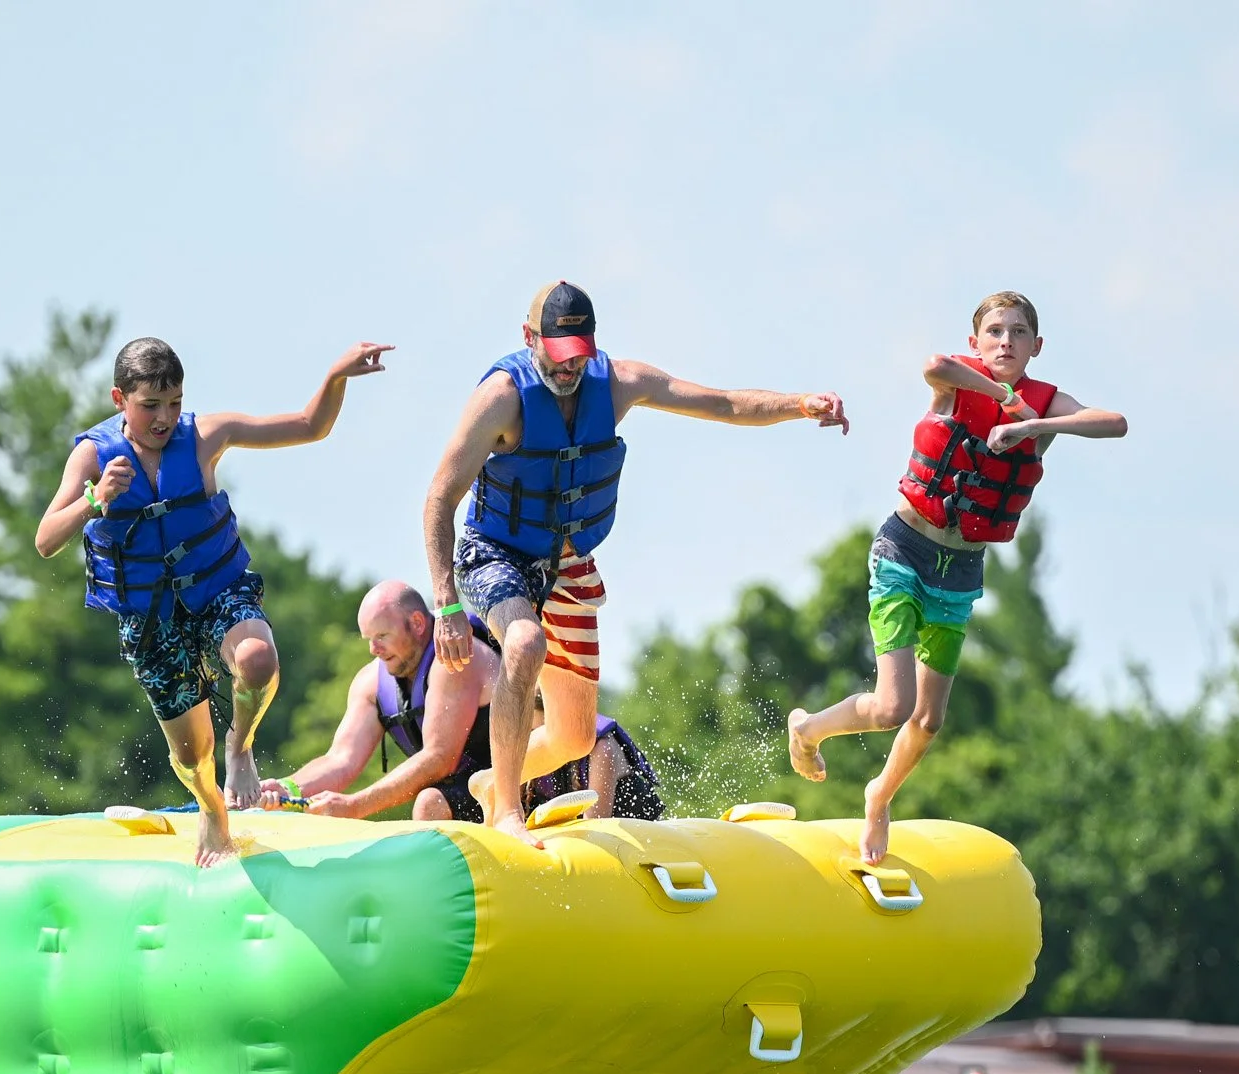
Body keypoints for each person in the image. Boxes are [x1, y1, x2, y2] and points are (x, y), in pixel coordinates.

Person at [423, 280, 847, 846]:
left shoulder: (619, 382)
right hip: (496, 551)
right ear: (529, 338)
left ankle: (490, 784)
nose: (570, 368)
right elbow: (439, 499)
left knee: (574, 737)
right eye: (558, 354)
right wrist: (446, 603)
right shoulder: (500, 398)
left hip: (566, 561)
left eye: (579, 354)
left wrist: (798, 405)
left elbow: (720, 403)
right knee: (523, 643)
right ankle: (505, 813)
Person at [786, 292, 1127, 862]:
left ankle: (878, 798)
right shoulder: (956, 383)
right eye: (994, 331)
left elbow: (1114, 423)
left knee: (928, 719)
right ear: (976, 342)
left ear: (1037, 346)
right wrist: (1002, 396)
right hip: (905, 548)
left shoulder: (1045, 407)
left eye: (1018, 333)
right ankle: (807, 730)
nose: (1006, 342)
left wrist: (1032, 425)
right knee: (893, 707)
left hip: (961, 568)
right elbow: (933, 365)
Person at [35, 335, 392, 866]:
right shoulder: (92, 456)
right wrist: (95, 497)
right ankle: (210, 809)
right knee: (190, 755)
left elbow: (308, 425)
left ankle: (240, 745)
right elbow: (46, 540)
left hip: (216, 593)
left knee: (257, 660)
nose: (164, 417)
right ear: (119, 399)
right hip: (151, 620)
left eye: (174, 402)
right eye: (150, 405)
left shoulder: (205, 436)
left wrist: (335, 376)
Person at [254, 581, 502, 821]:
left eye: (382, 636)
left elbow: (440, 759)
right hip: (469, 790)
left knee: (430, 803)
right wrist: (289, 788)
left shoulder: (455, 657)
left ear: (417, 623)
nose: (374, 649)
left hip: (515, 782)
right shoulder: (370, 683)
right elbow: (341, 760)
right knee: (431, 801)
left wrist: (354, 806)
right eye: (369, 639)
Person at [506, 703, 668, 821]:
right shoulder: (525, 743)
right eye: (532, 732)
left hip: (632, 836)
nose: (537, 743)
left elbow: (595, 824)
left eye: (542, 734)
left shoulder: (602, 747)